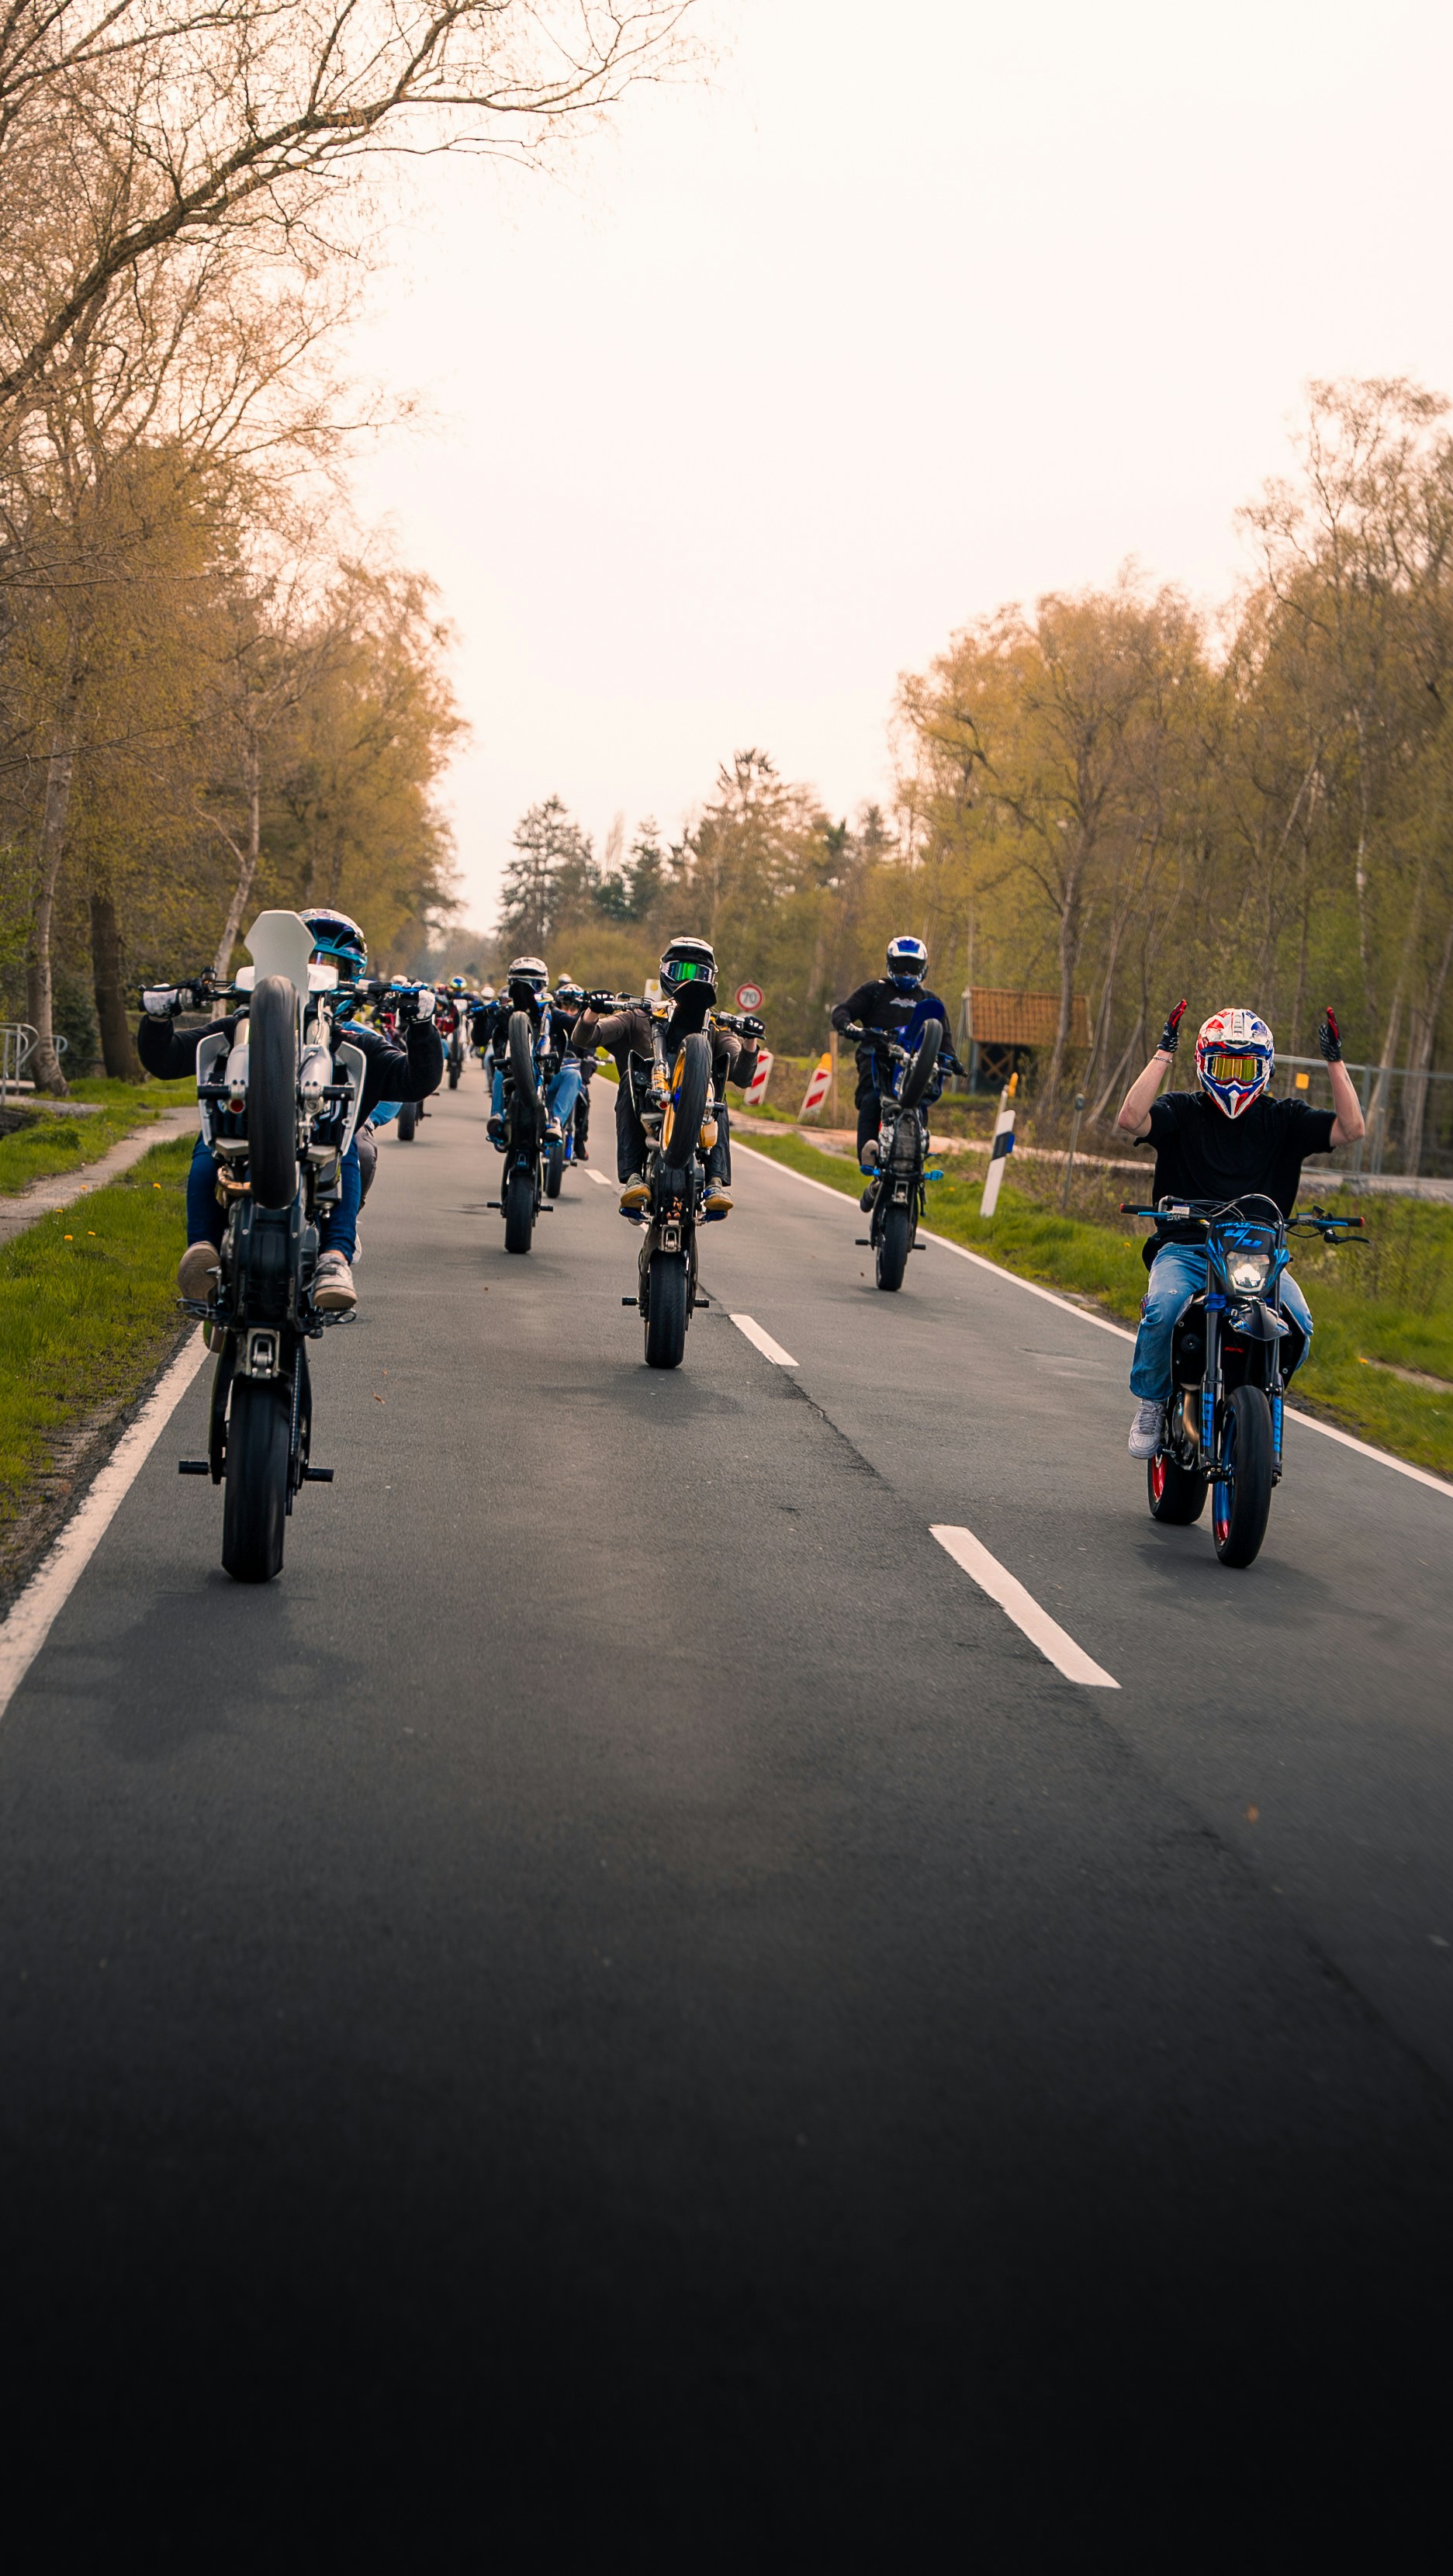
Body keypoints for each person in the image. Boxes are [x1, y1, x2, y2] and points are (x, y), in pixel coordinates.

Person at [139, 907, 443, 1316]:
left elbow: (416, 1081)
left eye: (331, 967)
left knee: (349, 1145)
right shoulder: (239, 1027)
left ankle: (335, 1256)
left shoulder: (357, 1042)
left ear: (352, 979)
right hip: (242, 1141)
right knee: (208, 1138)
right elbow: (167, 1059)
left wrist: (422, 1026)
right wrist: (158, 1017)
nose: (316, 976)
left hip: (323, 1149)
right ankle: (202, 1248)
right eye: (306, 962)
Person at [1116, 1002, 1365, 1456]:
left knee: (1301, 1326)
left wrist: (1334, 1059)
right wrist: (1163, 1051)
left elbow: (1352, 1129)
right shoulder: (1182, 1111)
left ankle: (1264, 1394)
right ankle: (1152, 1402)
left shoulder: (1284, 1119)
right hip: (1188, 1248)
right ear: (1204, 1065)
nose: (1233, 1077)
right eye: (1223, 1064)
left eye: (1245, 1065)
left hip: (1261, 1255)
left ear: (1264, 1067)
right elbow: (1131, 1119)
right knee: (1165, 1308)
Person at [572, 938, 763, 1216]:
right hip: (647, 1102)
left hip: (698, 1110)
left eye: (698, 975)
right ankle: (633, 1178)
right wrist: (592, 1011)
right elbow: (587, 1037)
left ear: (711, 982)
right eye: (681, 972)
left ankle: (715, 1182)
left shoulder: (715, 1026)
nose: (688, 982)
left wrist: (750, 1042)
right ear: (665, 973)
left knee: (716, 1089)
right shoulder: (638, 1015)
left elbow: (742, 1075)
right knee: (628, 1076)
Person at [831, 936, 965, 1172]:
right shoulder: (875, 990)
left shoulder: (930, 1000)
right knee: (871, 1099)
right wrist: (849, 1027)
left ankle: (917, 1155)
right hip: (877, 1057)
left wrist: (952, 1060)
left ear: (923, 968)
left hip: (916, 1064)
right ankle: (868, 1156)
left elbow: (944, 1037)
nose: (906, 971)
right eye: (901, 965)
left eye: (912, 967)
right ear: (890, 964)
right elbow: (844, 1010)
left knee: (920, 1104)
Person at [471, 957, 586, 1150]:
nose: (528, 991)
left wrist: (589, 1014)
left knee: (573, 1075)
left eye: (535, 985)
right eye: (521, 984)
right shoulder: (504, 1011)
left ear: (543, 986)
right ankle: (497, 1118)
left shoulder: (552, 1012)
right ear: (512, 985)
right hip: (512, 1076)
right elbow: (480, 1039)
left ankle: (555, 1122)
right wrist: (482, 1020)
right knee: (500, 1070)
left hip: (548, 1076)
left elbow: (579, 1031)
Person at [552, 976, 594, 1159]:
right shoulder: (552, 1026)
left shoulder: (584, 1030)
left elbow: (590, 1055)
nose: (569, 1012)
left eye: (573, 1008)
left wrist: (586, 1073)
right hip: (553, 1074)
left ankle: (579, 1141)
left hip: (575, 1075)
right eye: (565, 1008)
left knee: (584, 1097)